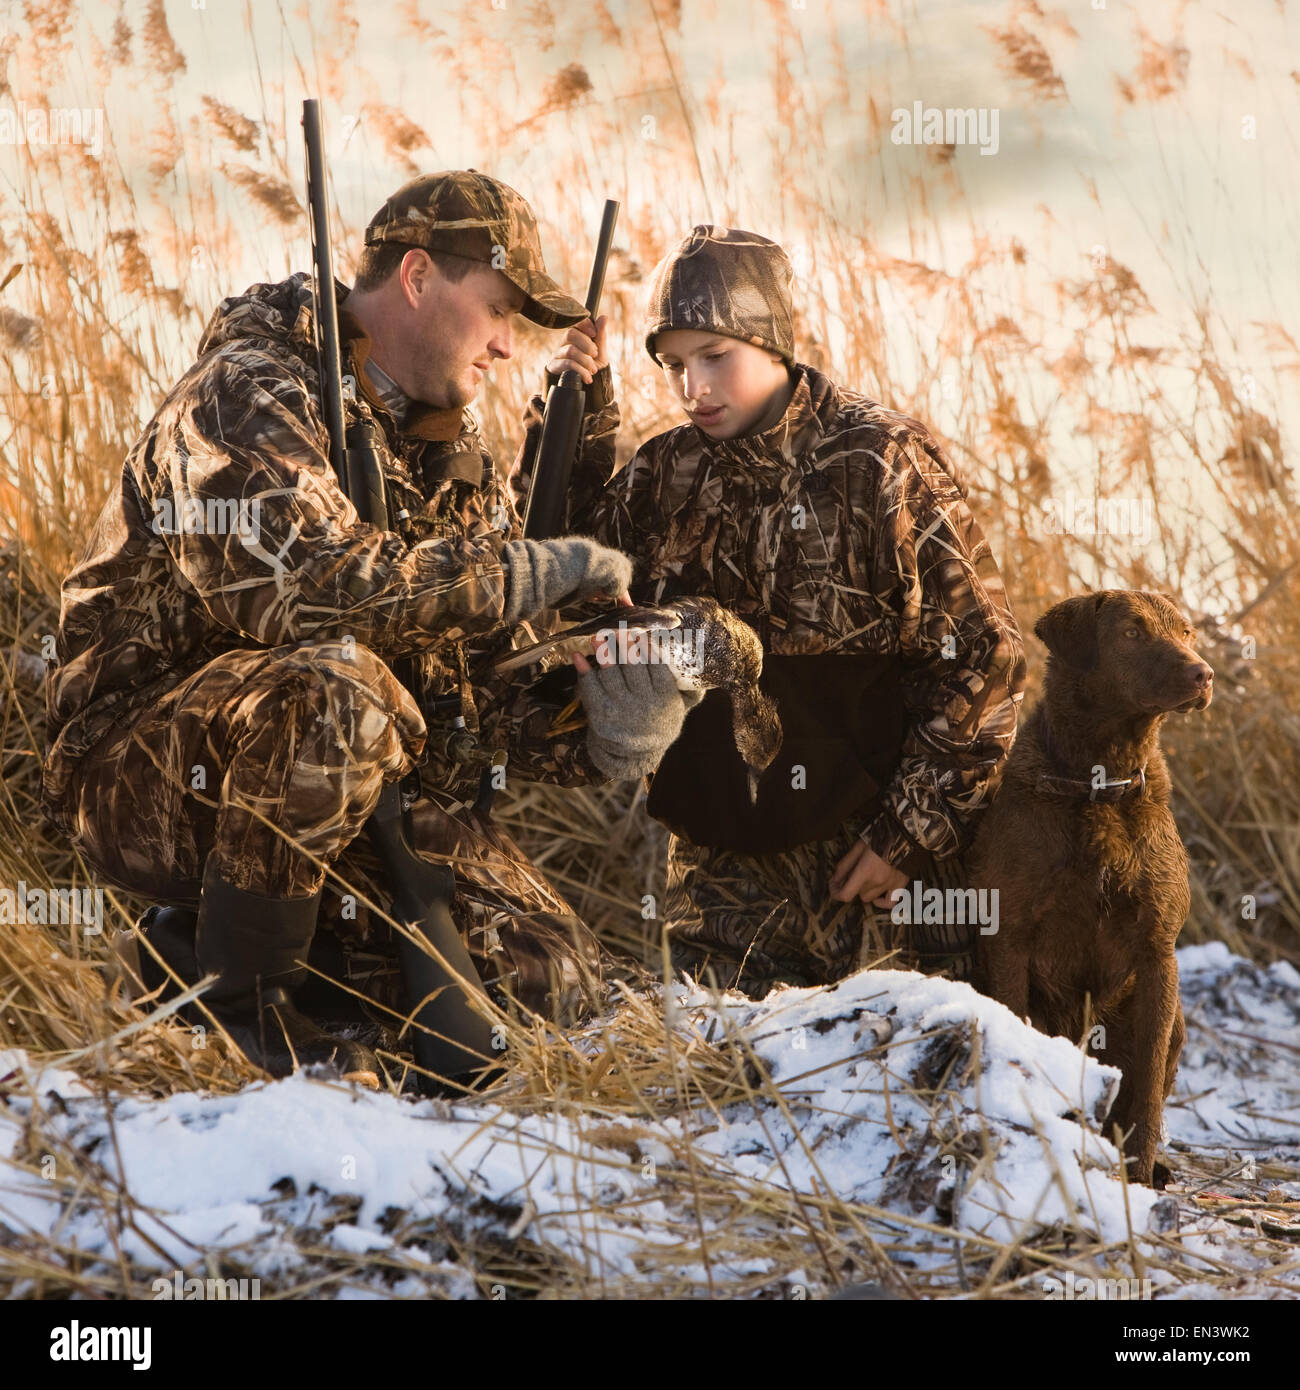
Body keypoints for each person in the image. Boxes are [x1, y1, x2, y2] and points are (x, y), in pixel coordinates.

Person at [39, 171, 697, 1081]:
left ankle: (201, 957)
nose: (510, 346)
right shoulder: (241, 395)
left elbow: (473, 708)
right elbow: (316, 592)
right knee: (340, 686)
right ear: (419, 278)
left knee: (556, 979)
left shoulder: (444, 457)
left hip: (341, 779)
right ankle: (238, 1022)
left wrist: (609, 721)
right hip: (146, 772)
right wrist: (540, 570)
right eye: (500, 308)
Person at [558, 224, 1028, 994]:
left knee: (894, 1091)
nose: (692, 388)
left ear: (773, 341)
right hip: (721, 891)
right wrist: (579, 422)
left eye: (715, 357)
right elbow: (564, 592)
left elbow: (987, 658)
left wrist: (907, 836)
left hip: (879, 884)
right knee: (724, 1093)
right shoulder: (663, 472)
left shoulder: (881, 460)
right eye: (674, 365)